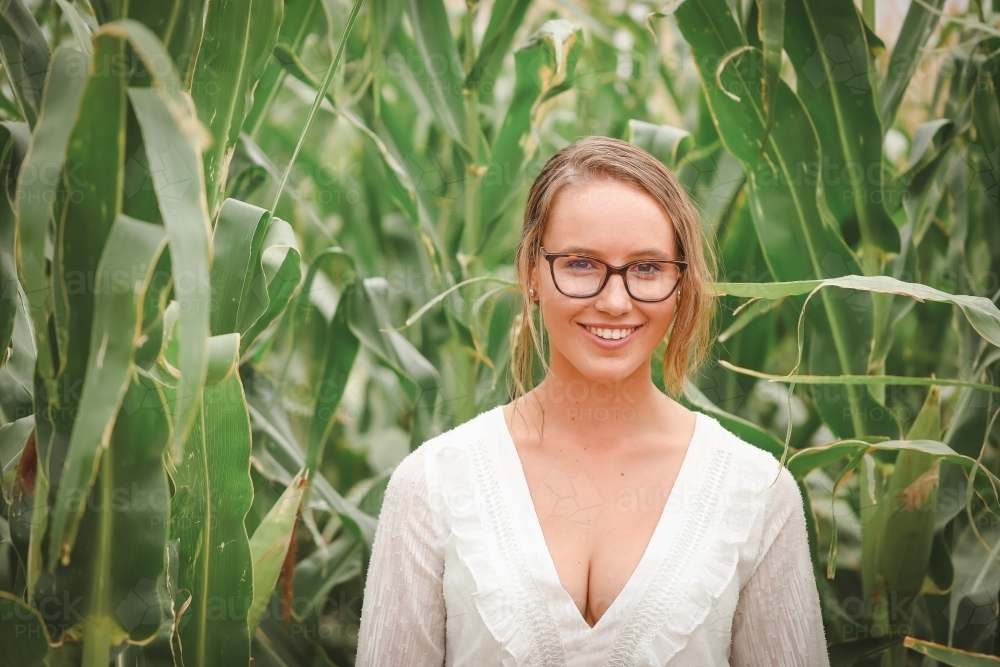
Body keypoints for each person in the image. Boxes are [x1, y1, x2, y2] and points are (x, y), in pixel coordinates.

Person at [355, 136, 830, 666]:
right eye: (581, 264)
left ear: (682, 281)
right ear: (532, 273)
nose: (614, 300)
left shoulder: (758, 494)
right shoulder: (432, 485)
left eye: (647, 268)